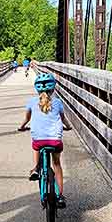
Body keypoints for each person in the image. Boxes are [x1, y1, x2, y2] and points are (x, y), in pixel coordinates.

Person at [17, 72, 71, 208]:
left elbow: (27, 119)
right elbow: (63, 119)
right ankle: (59, 197)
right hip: (55, 142)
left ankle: (35, 168)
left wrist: (21, 127)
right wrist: (68, 127)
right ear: (53, 89)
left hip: (39, 140)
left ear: (37, 89)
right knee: (57, 164)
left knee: (36, 144)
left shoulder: (31, 102)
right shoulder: (58, 103)